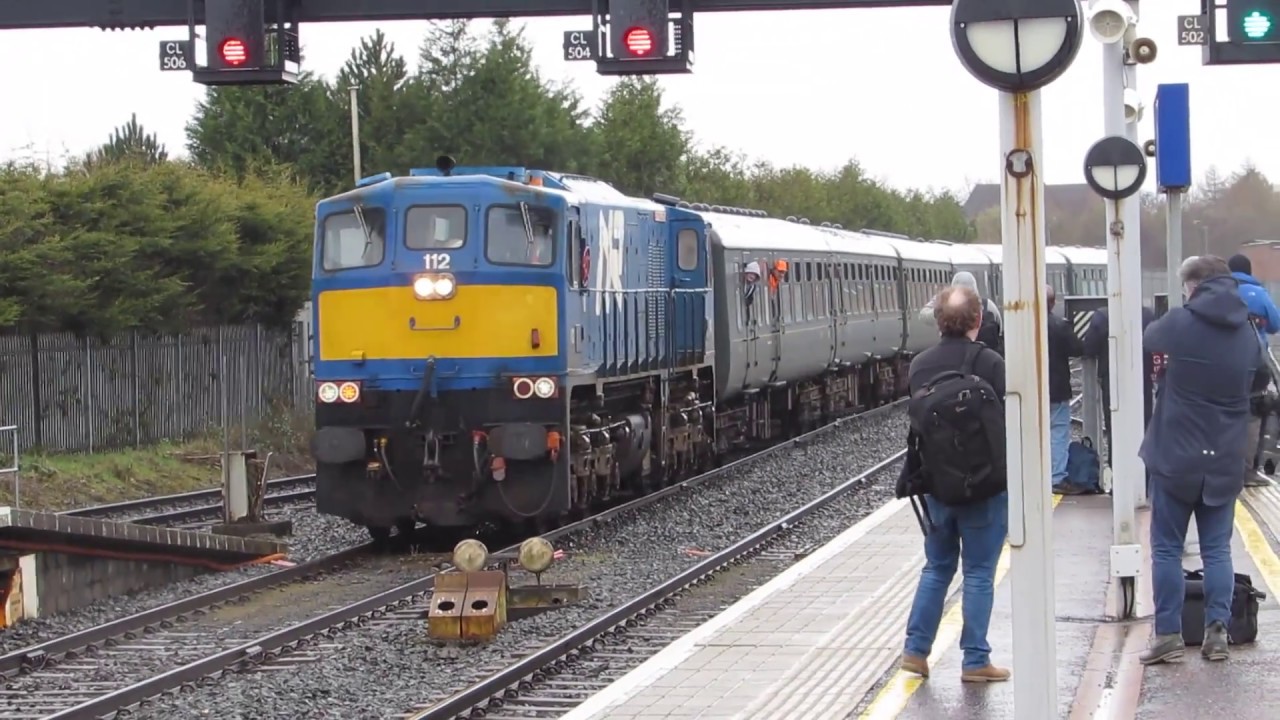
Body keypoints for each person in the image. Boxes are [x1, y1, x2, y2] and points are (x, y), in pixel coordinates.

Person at [1139, 255, 1259, 665]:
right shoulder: (1247, 332)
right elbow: (1257, 377)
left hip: (1175, 456)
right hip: (1223, 458)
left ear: (1192, 286)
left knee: (1168, 549)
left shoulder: (1180, 322)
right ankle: (1218, 634)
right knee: (1217, 551)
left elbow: (1149, 337)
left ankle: (1169, 635)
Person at [899, 285, 1010, 683]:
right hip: (984, 487)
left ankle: (915, 651)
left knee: (937, 567)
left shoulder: (920, 365)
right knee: (979, 572)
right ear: (978, 320)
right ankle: (975, 659)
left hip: (937, 485)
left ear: (938, 321)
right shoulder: (992, 362)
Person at [1227, 254, 1279, 488]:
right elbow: (1276, 324)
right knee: (1255, 412)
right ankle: (1248, 472)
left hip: (1223, 362)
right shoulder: (1258, 293)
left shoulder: (1221, 293)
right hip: (1254, 361)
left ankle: (1224, 468)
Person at [1082, 303, 1158, 460]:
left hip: (1111, 380)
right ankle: (1144, 467)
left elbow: (1089, 347)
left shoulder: (1102, 316)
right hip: (1142, 379)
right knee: (1144, 424)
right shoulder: (1147, 315)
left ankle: (1116, 464)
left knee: (1114, 426)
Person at [1046, 285, 1086, 494]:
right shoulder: (1059, 326)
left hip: (1030, 392)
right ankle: (1056, 478)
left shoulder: (1020, 325)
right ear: (1053, 303)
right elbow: (1077, 348)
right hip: (1057, 389)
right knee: (1058, 432)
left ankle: (1033, 474)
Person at [920, 272, 1003, 355]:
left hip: (951, 352)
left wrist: (939, 310)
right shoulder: (988, 305)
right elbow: (1000, 327)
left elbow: (923, 315)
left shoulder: (945, 305)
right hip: (984, 351)